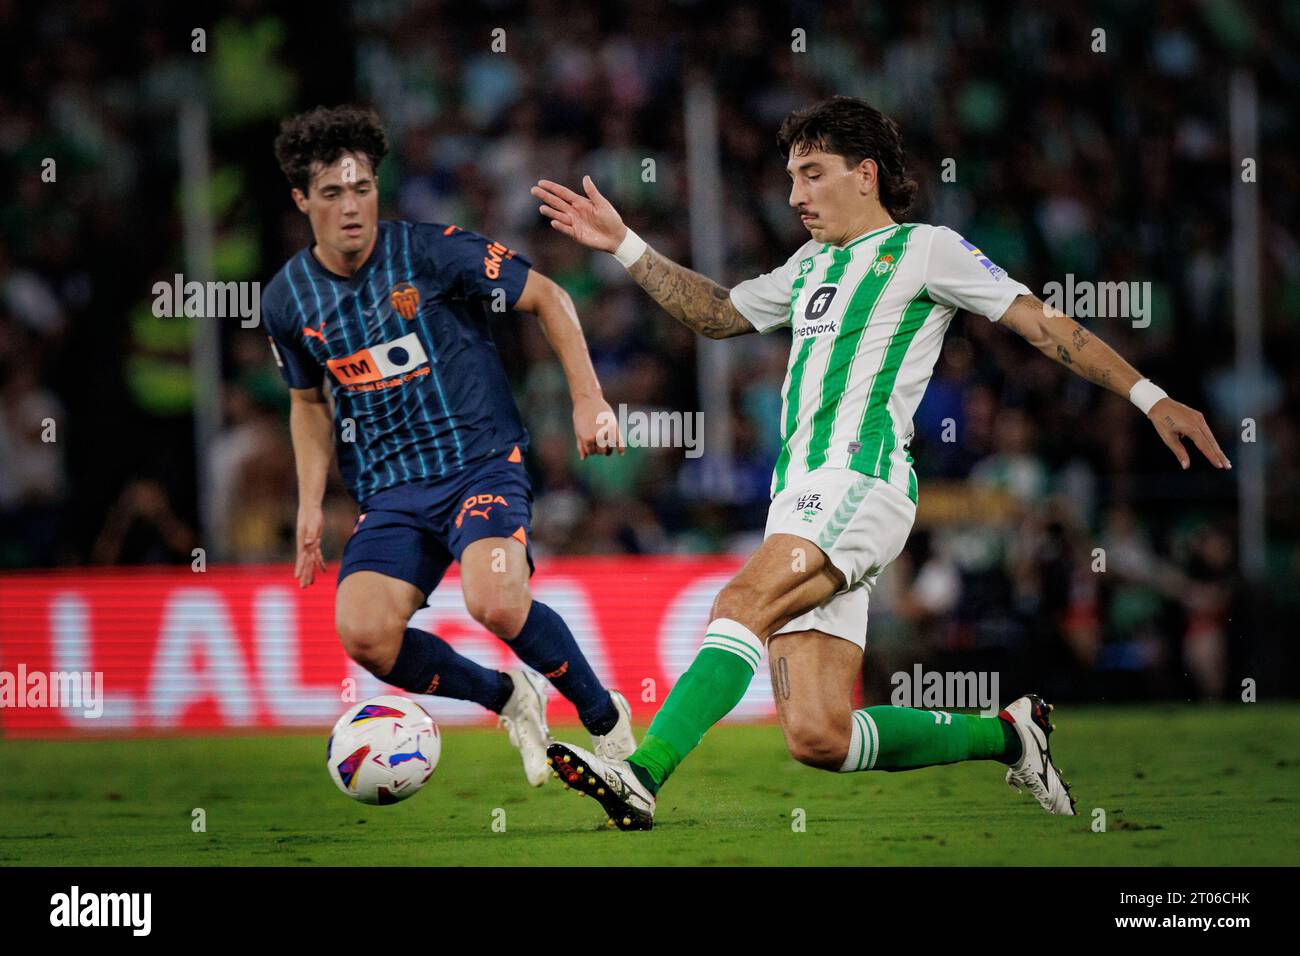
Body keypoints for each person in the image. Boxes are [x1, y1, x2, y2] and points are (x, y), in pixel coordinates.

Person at [531, 95, 1231, 829]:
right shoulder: (810, 264)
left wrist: (1151, 397)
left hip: (860, 483)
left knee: (740, 604)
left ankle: (641, 775)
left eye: (812, 173)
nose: (795, 195)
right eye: (791, 178)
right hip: (801, 496)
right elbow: (721, 313)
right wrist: (625, 245)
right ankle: (1010, 734)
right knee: (820, 737)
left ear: (865, 175)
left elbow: (1043, 324)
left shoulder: (927, 249)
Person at [263, 105, 635, 787]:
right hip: (392, 492)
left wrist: (588, 399)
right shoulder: (287, 299)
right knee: (366, 636)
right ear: (301, 200)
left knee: (494, 600)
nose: (352, 207)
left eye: (363, 188)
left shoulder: (431, 252)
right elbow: (308, 401)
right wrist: (310, 502)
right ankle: (508, 697)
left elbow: (550, 296)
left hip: (479, 462)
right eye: (333, 193)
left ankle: (604, 721)